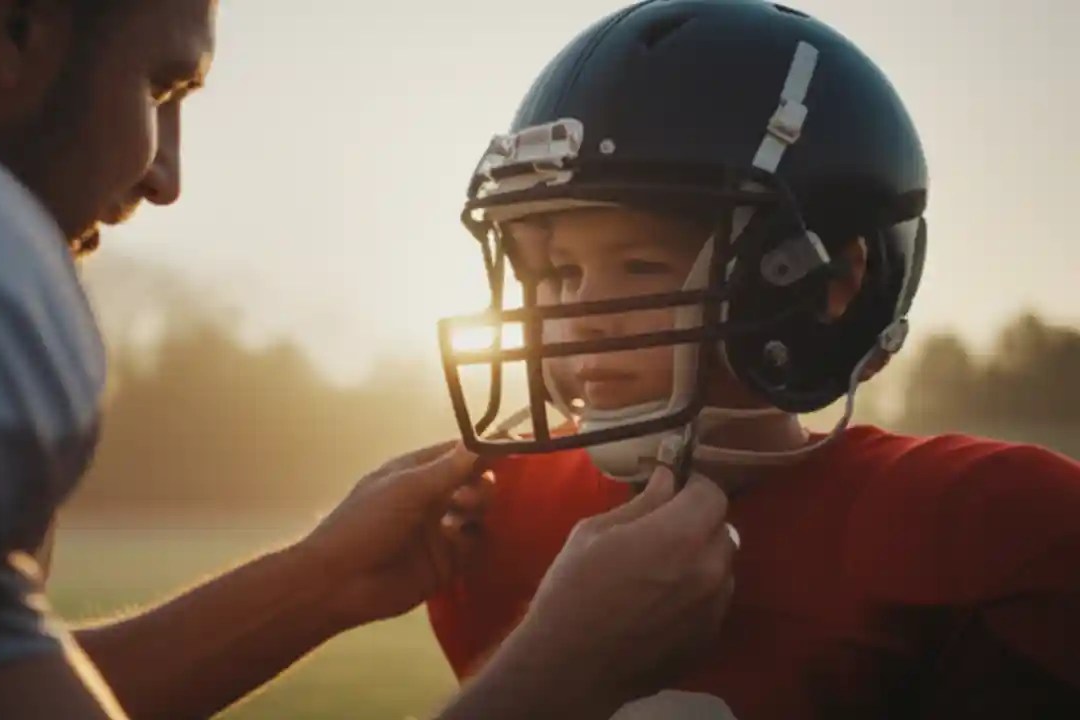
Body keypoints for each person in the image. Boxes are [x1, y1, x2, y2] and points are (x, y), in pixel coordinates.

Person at [0, 1, 737, 718]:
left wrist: (319, 579)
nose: (166, 177)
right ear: (12, 26)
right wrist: (547, 682)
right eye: (159, 90)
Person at [426, 1, 1080, 717]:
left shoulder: (985, 533)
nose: (581, 313)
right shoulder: (496, 519)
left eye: (641, 265)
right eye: (556, 272)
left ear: (828, 286)